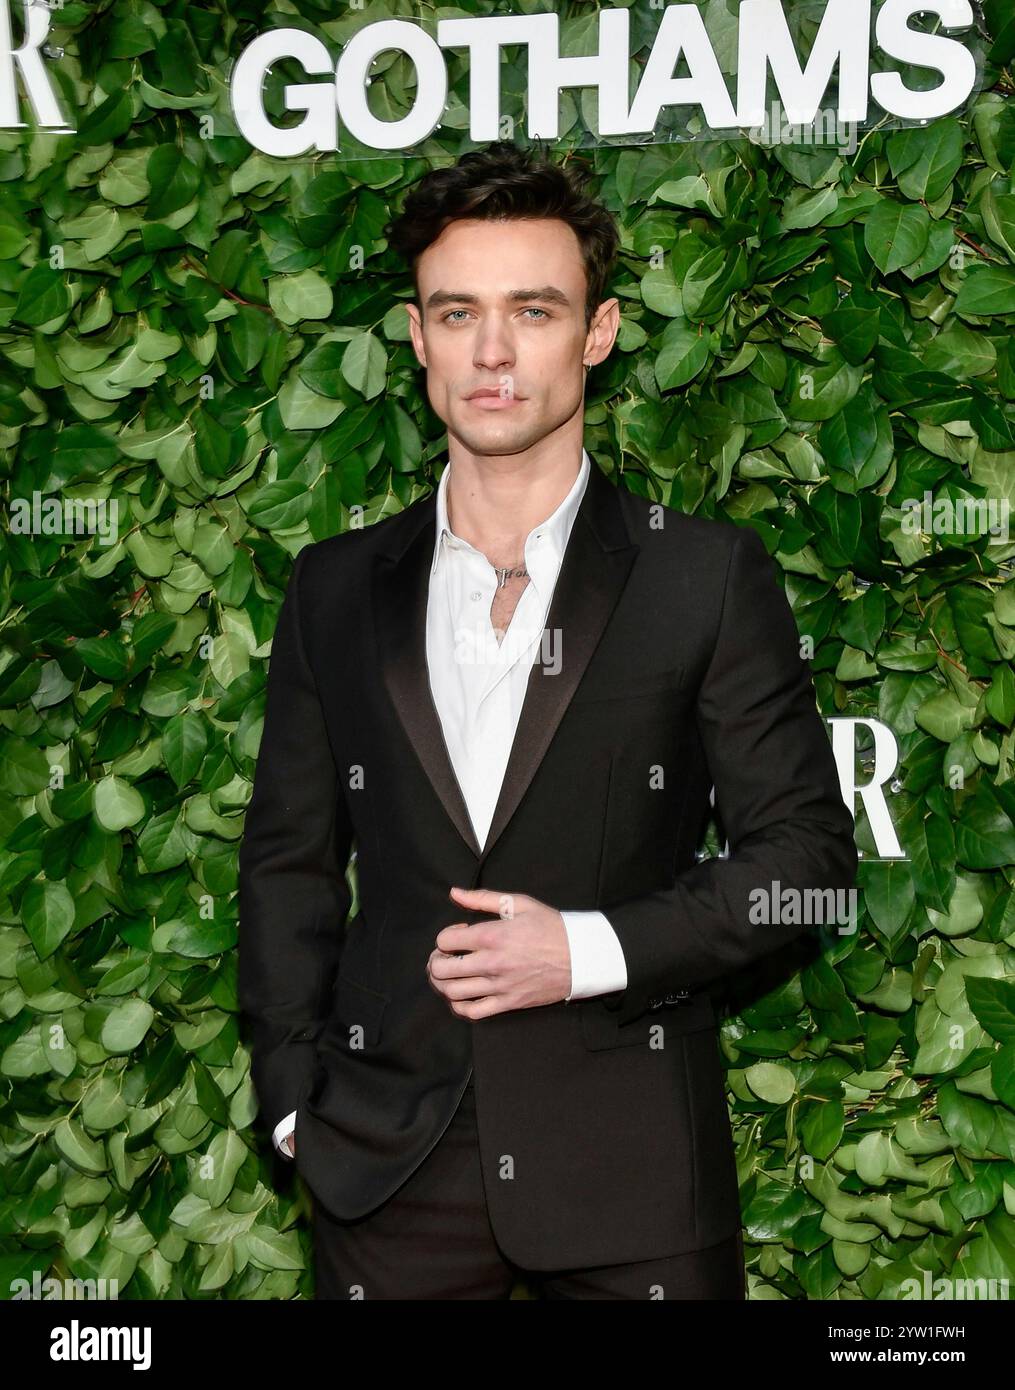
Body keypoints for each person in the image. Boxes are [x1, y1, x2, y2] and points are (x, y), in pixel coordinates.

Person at [237, 140, 857, 1300]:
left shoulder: (702, 577)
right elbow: (287, 865)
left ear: (600, 330)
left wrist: (580, 951)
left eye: (533, 309)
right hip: (384, 1168)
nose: (491, 350)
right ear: (416, 336)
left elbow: (809, 866)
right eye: (456, 311)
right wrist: (290, 1107)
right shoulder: (334, 586)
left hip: (632, 1176)